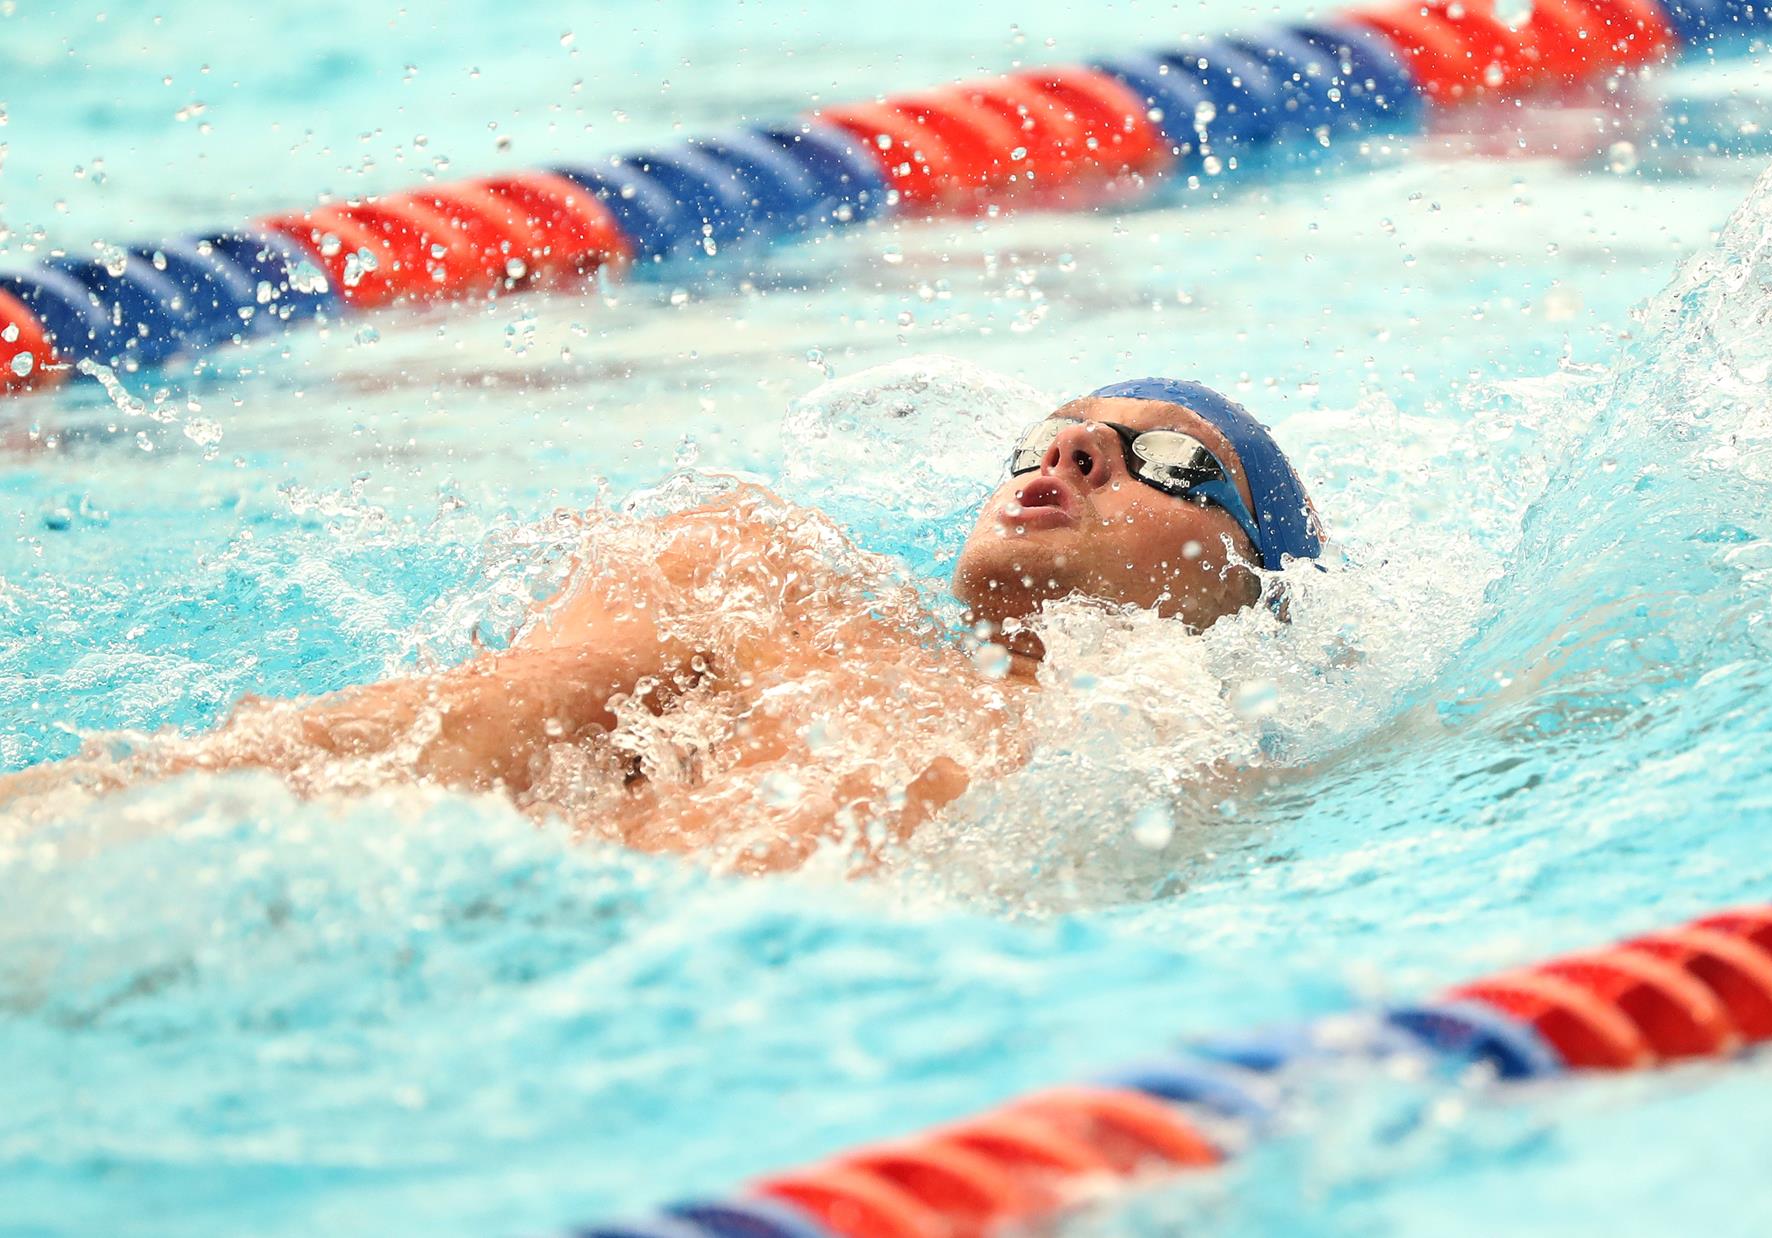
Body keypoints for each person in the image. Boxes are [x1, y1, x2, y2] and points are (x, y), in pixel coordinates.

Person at [0, 378, 1324, 871]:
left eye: (1167, 459)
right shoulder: (756, 586)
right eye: (1044, 437)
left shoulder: (1204, 775)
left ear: (1259, 584)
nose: (1075, 446)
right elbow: (391, 753)